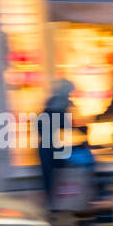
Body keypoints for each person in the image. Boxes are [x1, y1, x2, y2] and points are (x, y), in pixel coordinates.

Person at [37, 79, 75, 208]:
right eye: (69, 92)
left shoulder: (54, 103)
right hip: (50, 146)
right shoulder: (59, 103)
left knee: (53, 177)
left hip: (50, 145)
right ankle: (55, 206)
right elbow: (64, 123)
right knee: (55, 177)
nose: (70, 95)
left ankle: (54, 205)